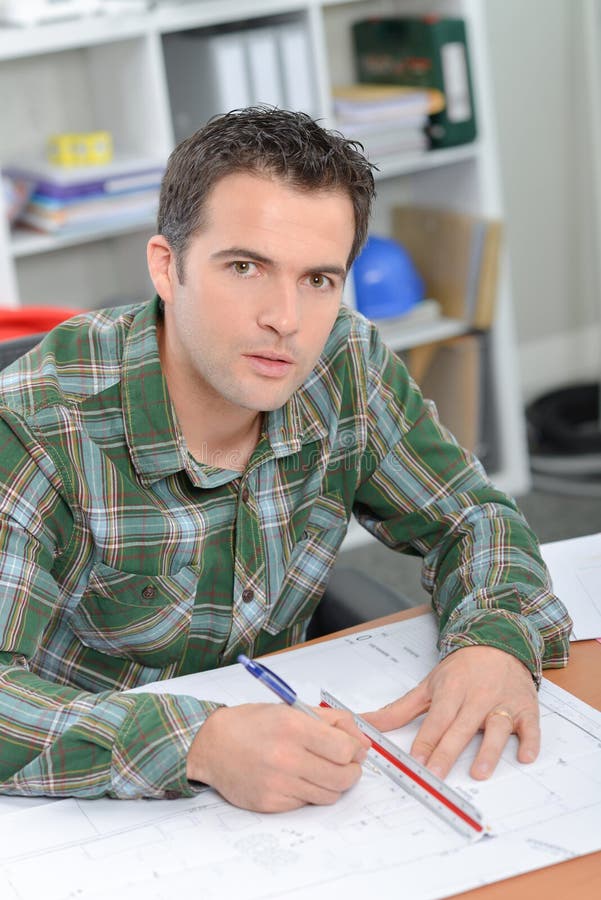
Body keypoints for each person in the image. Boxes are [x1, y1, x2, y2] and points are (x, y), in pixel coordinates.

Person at [0, 107, 571, 812]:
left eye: (318, 280)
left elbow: (472, 518)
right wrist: (199, 744)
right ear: (166, 267)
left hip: (292, 770)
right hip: (83, 805)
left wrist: (494, 639)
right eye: (245, 267)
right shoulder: (33, 424)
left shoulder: (345, 364)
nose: (285, 319)